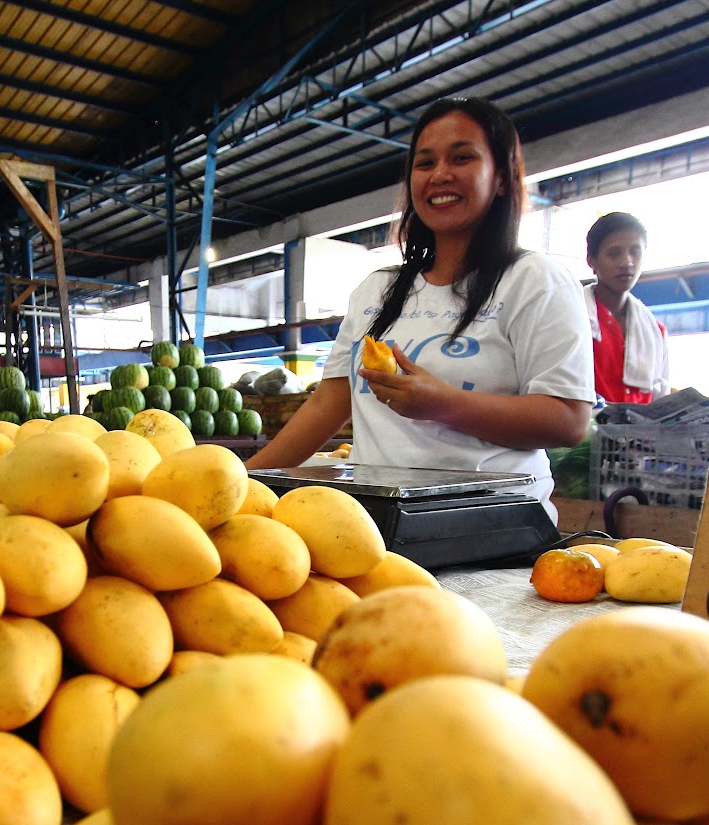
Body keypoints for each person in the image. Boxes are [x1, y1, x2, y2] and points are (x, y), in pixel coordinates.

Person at [246, 97, 593, 516]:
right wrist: (243, 483)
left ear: (501, 177)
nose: (440, 175)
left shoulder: (536, 280)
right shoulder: (377, 290)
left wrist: (442, 403)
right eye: (425, 163)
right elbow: (326, 405)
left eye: (462, 157)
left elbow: (568, 420)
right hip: (382, 521)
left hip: (496, 524)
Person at [583, 212, 669, 403]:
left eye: (635, 252)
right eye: (614, 253)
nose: (627, 262)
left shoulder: (655, 331)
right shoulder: (572, 317)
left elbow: (661, 400)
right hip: (583, 430)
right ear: (592, 261)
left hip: (642, 432)